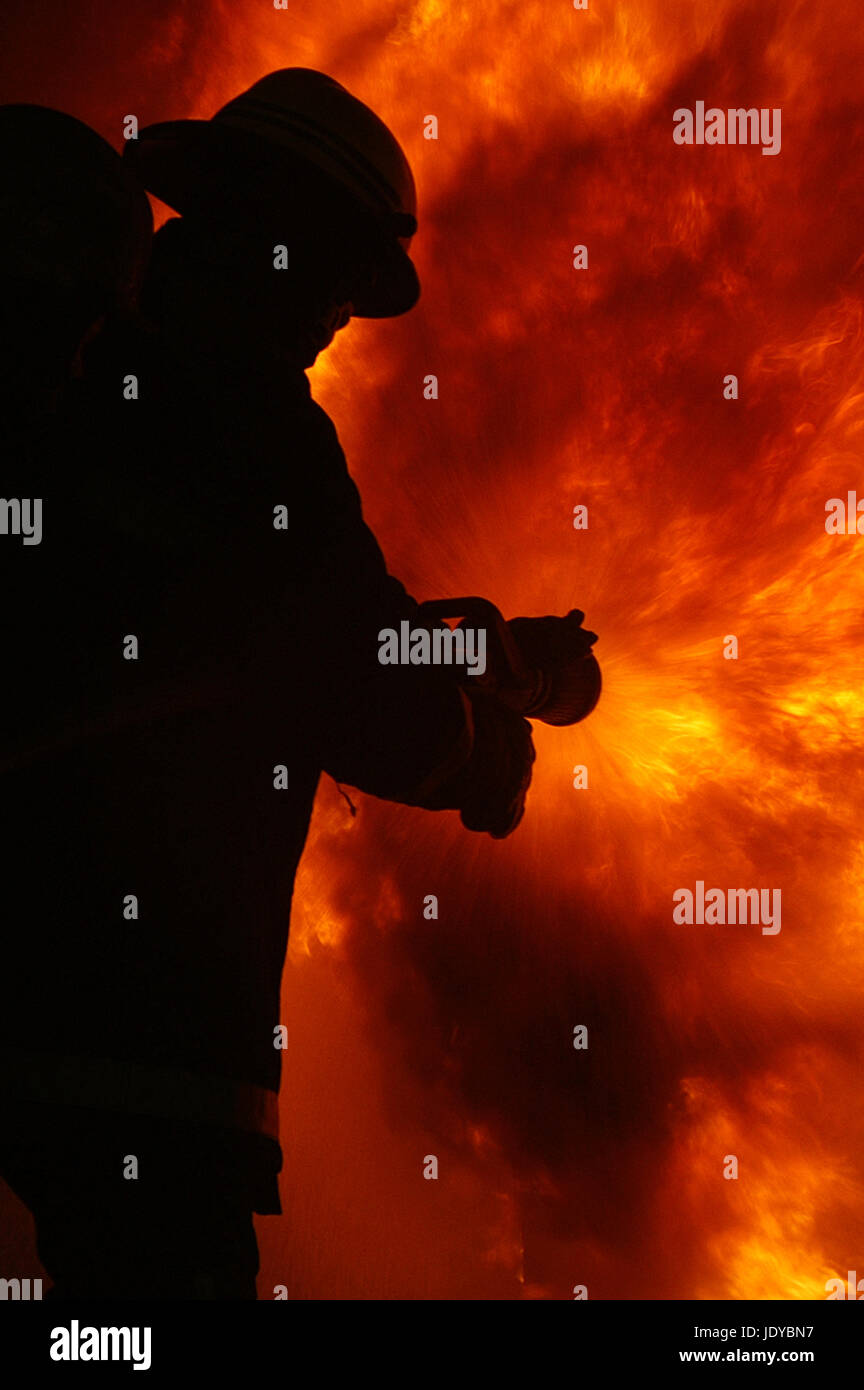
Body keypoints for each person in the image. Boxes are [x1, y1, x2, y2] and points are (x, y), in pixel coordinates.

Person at [0, 74, 535, 1298]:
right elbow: (355, 681)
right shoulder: (249, 423)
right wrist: (480, 751)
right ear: (274, 235)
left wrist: (465, 643)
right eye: (339, 278)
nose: (339, 316)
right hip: (132, 1041)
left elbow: (287, 623)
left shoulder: (95, 368)